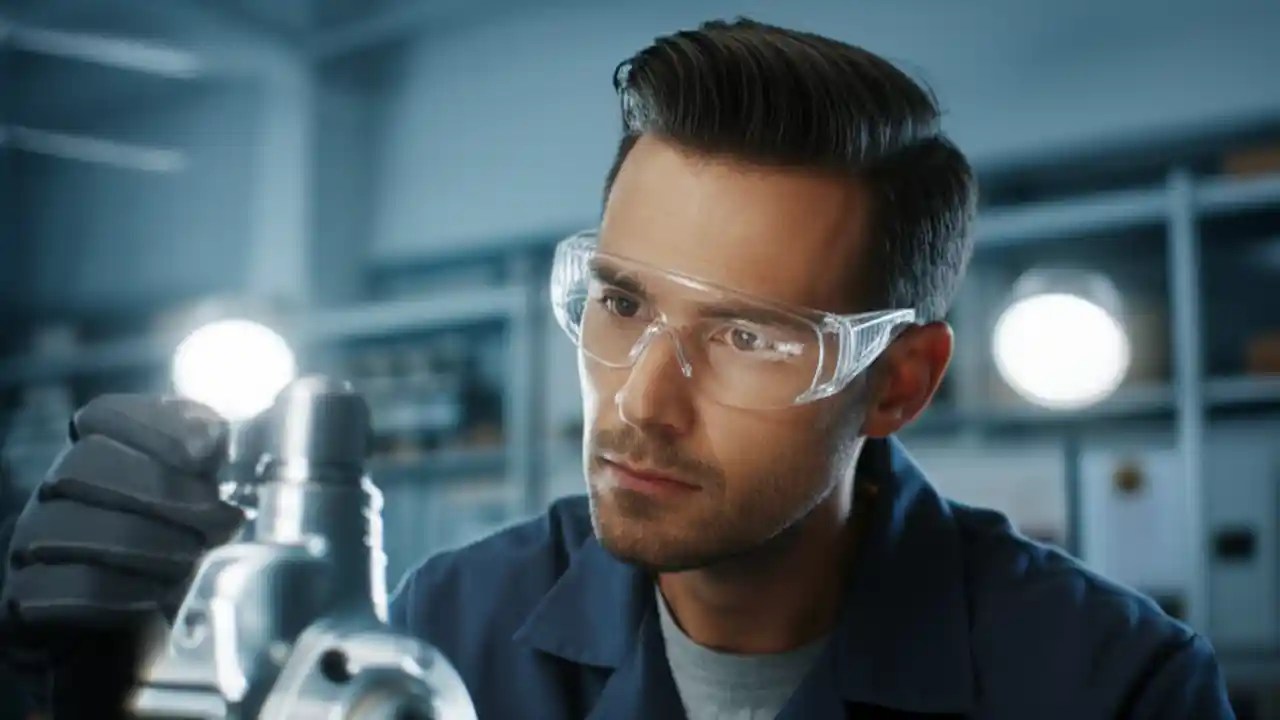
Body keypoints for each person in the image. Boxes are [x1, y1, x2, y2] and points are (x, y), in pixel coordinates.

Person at [0, 17, 1234, 720]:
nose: (640, 401)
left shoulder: (1109, 688)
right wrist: (132, 691)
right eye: (619, 301)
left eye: (748, 335)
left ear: (897, 384)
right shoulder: (449, 630)